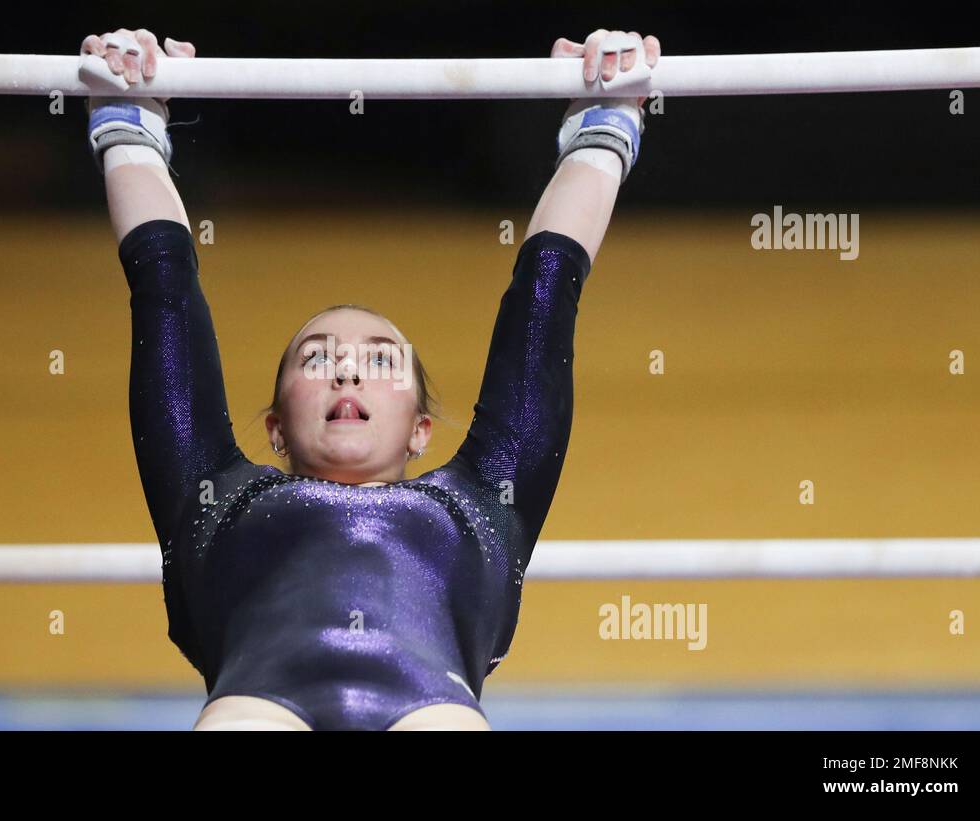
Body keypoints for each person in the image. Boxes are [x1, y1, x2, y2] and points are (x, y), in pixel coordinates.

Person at [80, 27, 661, 729]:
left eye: (381, 359)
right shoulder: (213, 497)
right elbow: (162, 288)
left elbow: (546, 294)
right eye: (316, 357)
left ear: (422, 427)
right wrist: (130, 125)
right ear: (274, 427)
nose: (348, 366)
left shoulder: (482, 503)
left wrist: (603, 122)